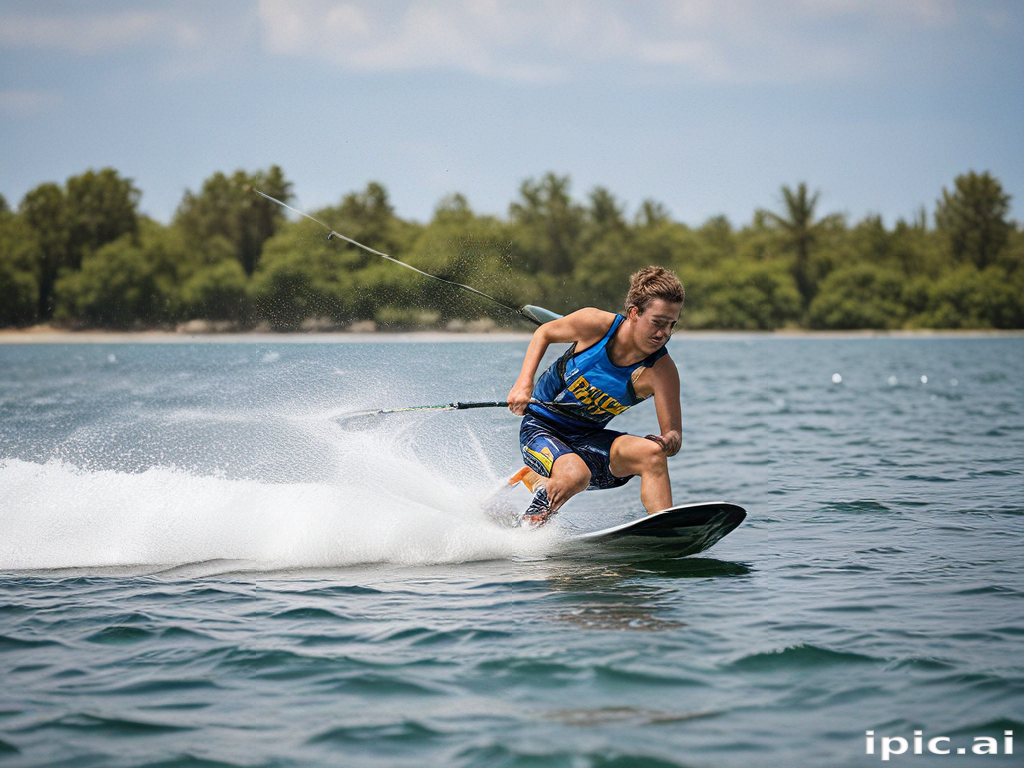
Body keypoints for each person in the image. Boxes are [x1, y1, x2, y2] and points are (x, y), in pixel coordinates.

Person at [506, 266, 684, 527]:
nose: (664, 333)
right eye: (657, 322)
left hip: (589, 443)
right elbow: (544, 333)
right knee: (574, 475)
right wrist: (523, 385)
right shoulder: (595, 325)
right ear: (635, 313)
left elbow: (674, 435)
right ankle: (526, 530)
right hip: (541, 428)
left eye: (672, 325)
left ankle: (665, 531)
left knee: (652, 453)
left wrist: (669, 440)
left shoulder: (661, 371)